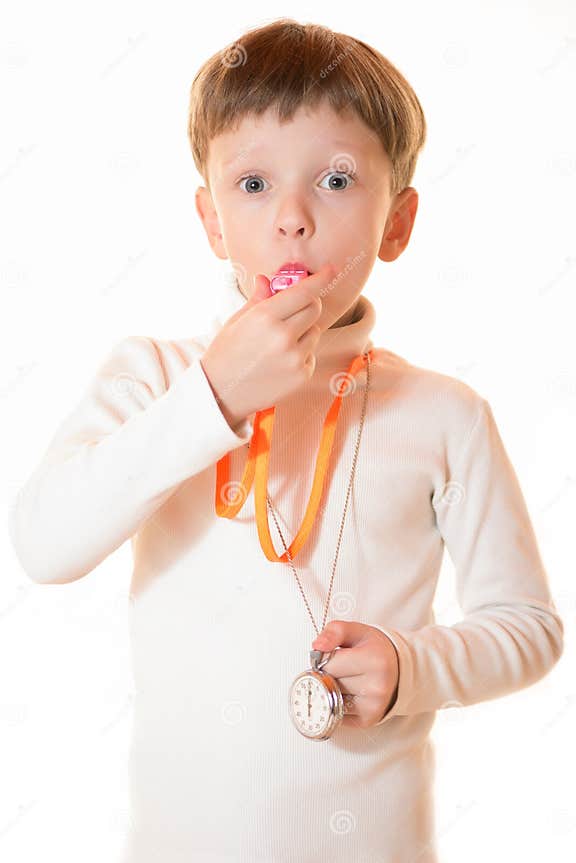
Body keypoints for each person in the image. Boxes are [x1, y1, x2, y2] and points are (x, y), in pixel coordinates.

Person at [8, 17, 564, 863]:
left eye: (337, 179)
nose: (294, 219)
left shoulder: (446, 415)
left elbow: (528, 625)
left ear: (398, 223)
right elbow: (44, 543)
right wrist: (213, 395)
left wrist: (416, 668)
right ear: (211, 222)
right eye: (254, 183)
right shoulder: (155, 378)